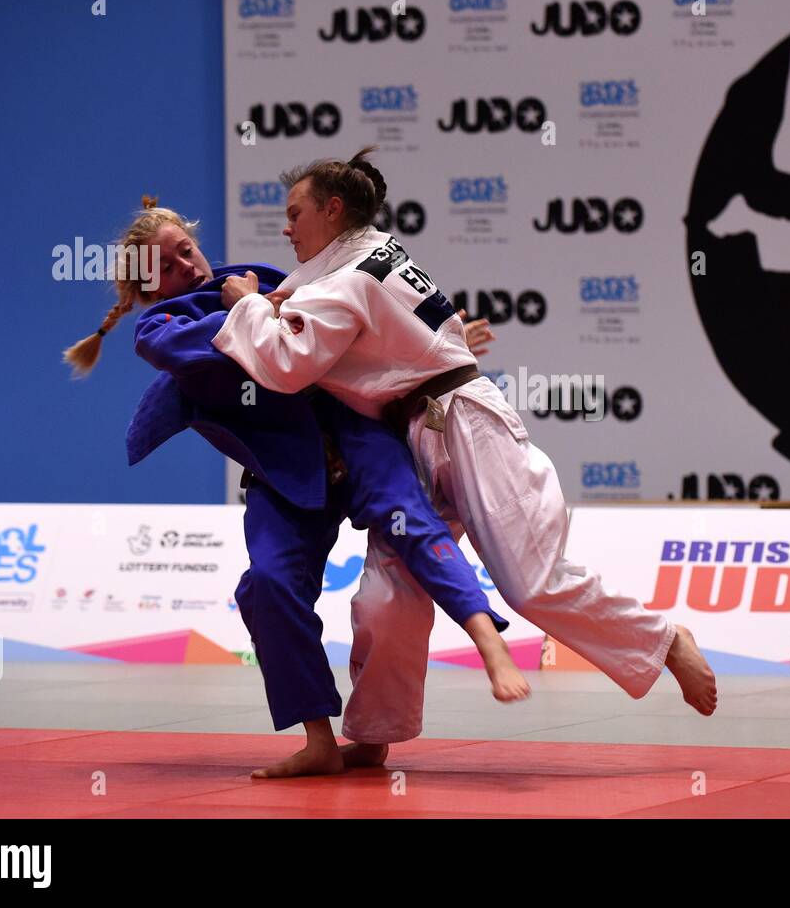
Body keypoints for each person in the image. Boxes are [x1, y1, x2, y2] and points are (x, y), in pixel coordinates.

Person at [212, 147, 719, 734]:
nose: (286, 227)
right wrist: (274, 303)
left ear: (332, 210)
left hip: (467, 423)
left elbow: (286, 365)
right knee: (386, 594)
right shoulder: (365, 259)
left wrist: (246, 306)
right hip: (413, 434)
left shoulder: (349, 280)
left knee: (531, 583)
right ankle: (376, 732)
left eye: (296, 213)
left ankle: (665, 640)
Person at [63, 199, 527, 778]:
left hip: (353, 437)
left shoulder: (260, 280)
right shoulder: (158, 328)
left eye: (187, 249)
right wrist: (254, 309)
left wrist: (435, 341)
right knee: (267, 585)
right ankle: (319, 740)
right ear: (147, 285)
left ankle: (487, 639)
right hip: (284, 476)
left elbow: (360, 312)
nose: (187, 265)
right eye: (168, 265)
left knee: (413, 522)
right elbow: (195, 350)